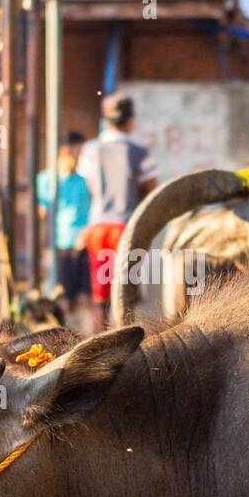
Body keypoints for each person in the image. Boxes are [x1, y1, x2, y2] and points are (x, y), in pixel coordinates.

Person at [78, 93, 157, 329]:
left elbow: (91, 186)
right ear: (130, 121)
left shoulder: (91, 149)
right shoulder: (139, 151)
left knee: (100, 293)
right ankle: (125, 340)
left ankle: (97, 344)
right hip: (126, 229)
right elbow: (150, 187)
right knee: (126, 289)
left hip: (98, 228)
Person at [35, 132, 91, 318]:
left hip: (82, 242)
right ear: (65, 151)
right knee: (63, 296)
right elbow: (42, 212)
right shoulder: (46, 180)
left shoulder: (83, 181)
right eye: (76, 153)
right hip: (60, 242)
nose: (78, 158)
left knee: (85, 296)